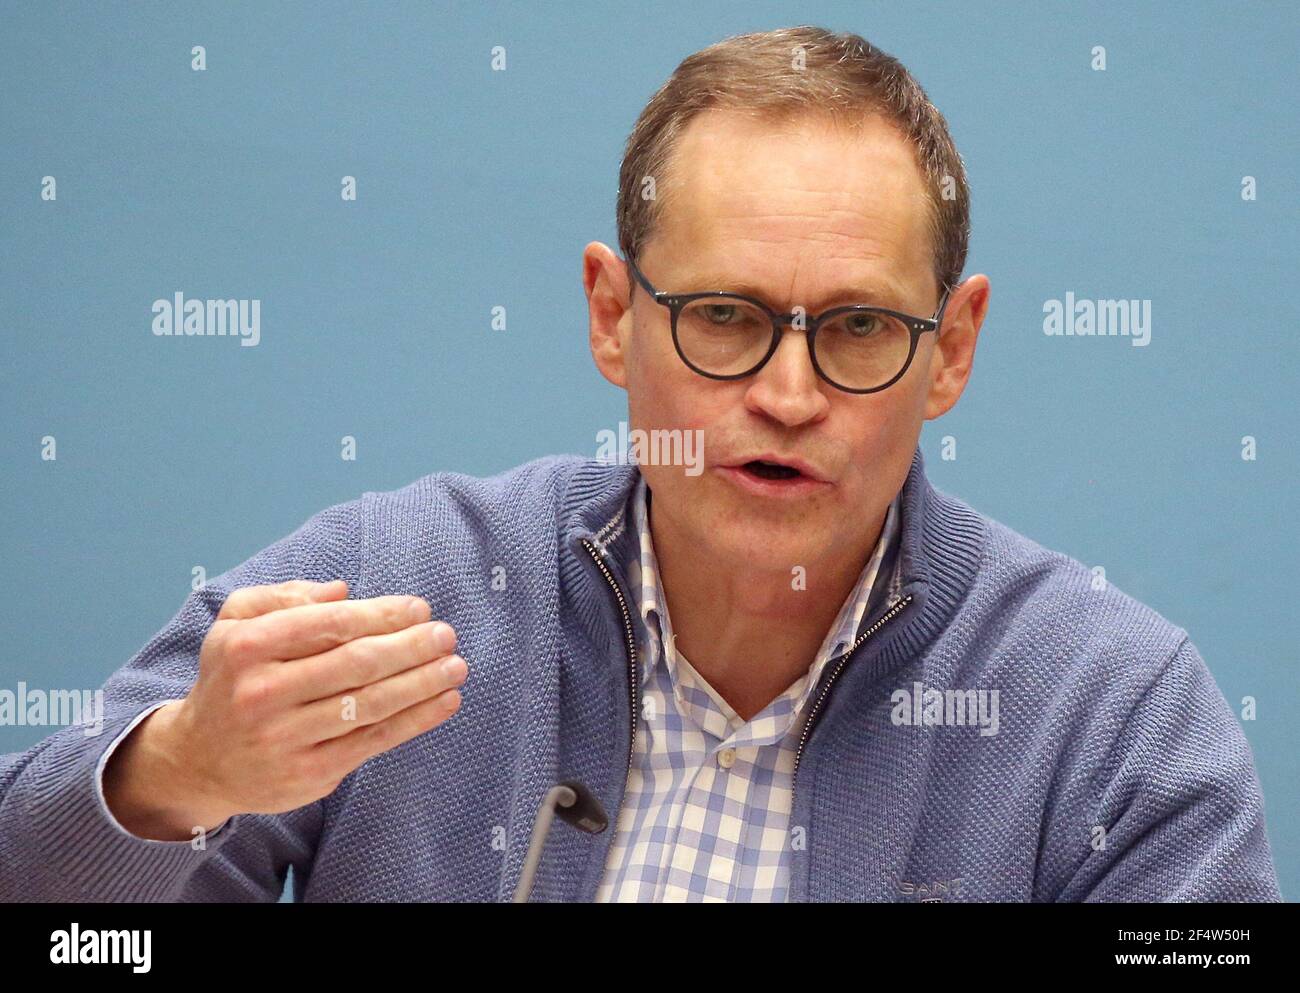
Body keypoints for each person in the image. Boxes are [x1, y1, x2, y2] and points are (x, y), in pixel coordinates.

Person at [0, 25, 1280, 902]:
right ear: (614, 315)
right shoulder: (392, 592)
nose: (786, 397)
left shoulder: (1110, 714)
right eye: (722, 317)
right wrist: (176, 776)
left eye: (856, 330)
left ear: (949, 352)